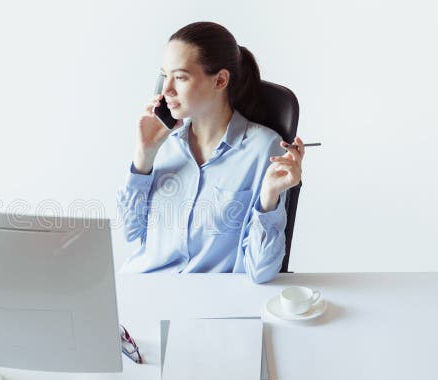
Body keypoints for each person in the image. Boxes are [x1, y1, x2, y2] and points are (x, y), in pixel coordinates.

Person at [116, 21, 306, 283]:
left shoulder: (264, 149)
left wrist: (269, 197)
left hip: (212, 305)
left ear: (220, 80)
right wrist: (143, 157)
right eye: (164, 76)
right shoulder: (162, 141)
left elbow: (261, 270)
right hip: (146, 289)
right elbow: (130, 231)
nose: (166, 90)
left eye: (180, 77)